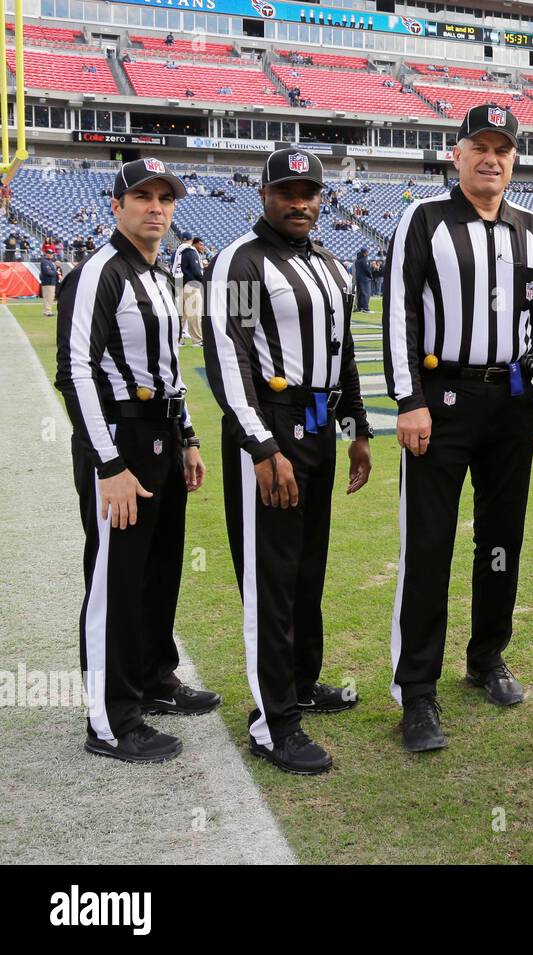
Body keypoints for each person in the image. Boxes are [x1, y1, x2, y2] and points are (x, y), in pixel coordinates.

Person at [382, 105, 533, 753]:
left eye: (503, 148)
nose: (491, 158)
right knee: (429, 543)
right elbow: (400, 309)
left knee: (501, 537)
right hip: (442, 398)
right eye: (479, 146)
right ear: (456, 154)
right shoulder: (423, 219)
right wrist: (409, 399)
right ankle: (417, 689)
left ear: (515, 158)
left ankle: (487, 656)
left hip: (511, 400)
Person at [204, 148, 374, 775]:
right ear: (264, 196)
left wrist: (356, 429)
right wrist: (262, 447)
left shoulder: (327, 263)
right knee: (271, 578)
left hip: (320, 424)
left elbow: (343, 351)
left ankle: (301, 683)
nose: (299, 202)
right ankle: (273, 721)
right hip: (272, 425)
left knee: (306, 569)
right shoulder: (244, 263)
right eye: (287, 192)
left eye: (309, 192)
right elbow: (232, 359)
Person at [55, 158, 216, 764]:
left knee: (157, 567)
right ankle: (109, 717)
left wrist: (189, 436)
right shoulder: (100, 271)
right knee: (115, 578)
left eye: (165, 198)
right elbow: (75, 372)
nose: (155, 207)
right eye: (142, 197)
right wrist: (108, 465)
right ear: (116, 206)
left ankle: (153, 679)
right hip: (120, 438)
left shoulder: (157, 272)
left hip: (161, 435)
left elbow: (168, 371)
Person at [177, 234, 205, 346]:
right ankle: (197, 340)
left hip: (180, 284)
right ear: (192, 242)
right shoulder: (191, 252)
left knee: (182, 315)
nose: (202, 246)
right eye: (201, 244)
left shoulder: (178, 251)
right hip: (192, 284)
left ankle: (176, 339)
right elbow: (197, 272)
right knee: (194, 313)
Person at [39, 251, 62, 316]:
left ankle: (47, 310)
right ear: (47, 254)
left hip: (50, 281)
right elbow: (48, 272)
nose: (52, 255)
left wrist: (54, 272)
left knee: (49, 297)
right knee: (49, 297)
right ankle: (47, 311)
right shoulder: (45, 262)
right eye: (50, 254)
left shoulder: (49, 261)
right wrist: (56, 272)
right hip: (48, 281)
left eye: (52, 254)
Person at [353, 247, 373, 313]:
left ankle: (360, 307)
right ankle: (365, 307)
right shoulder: (364, 260)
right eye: (367, 252)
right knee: (366, 293)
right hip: (365, 279)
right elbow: (367, 269)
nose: (368, 253)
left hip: (358, 278)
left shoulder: (357, 260)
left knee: (360, 293)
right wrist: (370, 276)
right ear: (365, 253)